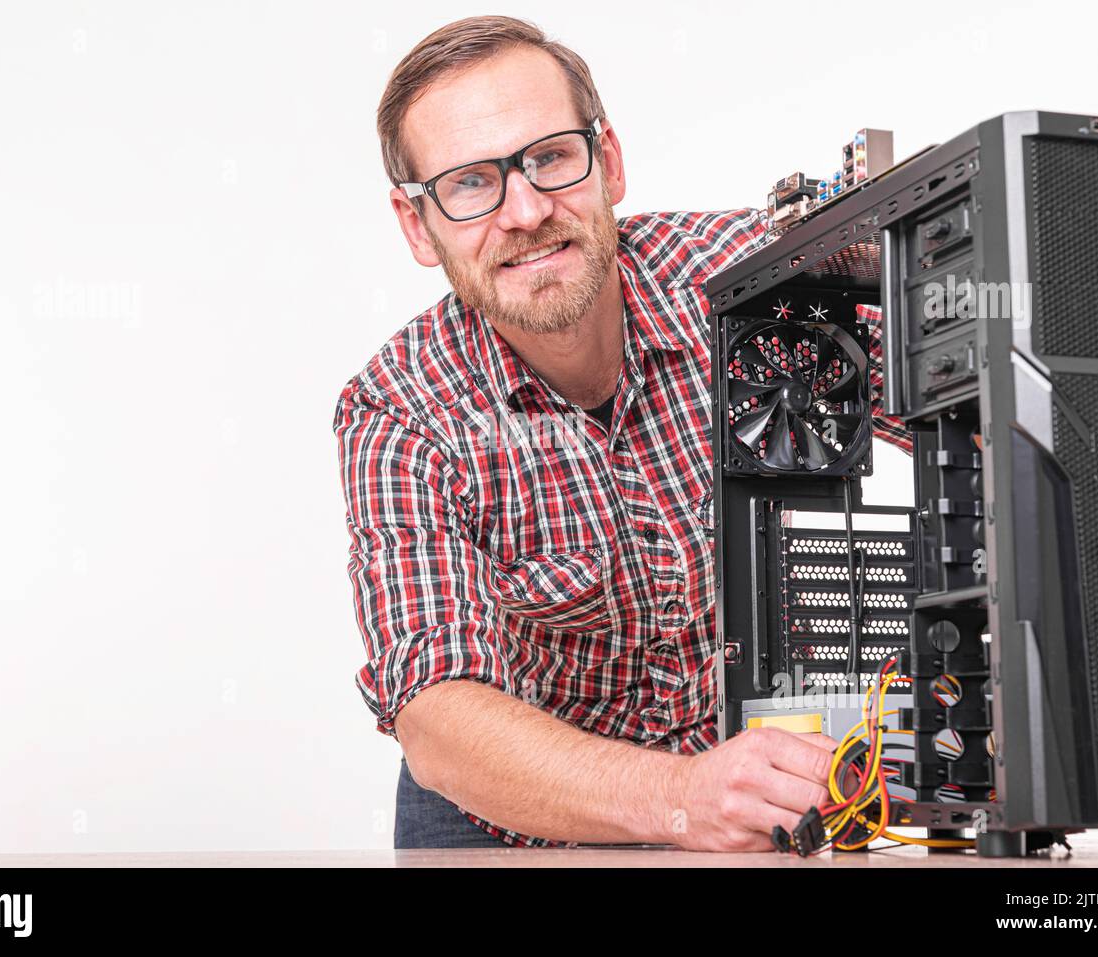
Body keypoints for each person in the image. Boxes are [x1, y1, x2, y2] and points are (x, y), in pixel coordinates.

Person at [333, 15, 909, 850]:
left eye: (551, 159)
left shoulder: (752, 289)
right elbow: (436, 710)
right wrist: (682, 797)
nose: (525, 212)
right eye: (469, 185)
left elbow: (981, 405)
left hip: (754, 805)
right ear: (418, 226)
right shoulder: (398, 408)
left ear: (609, 162)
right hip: (515, 820)